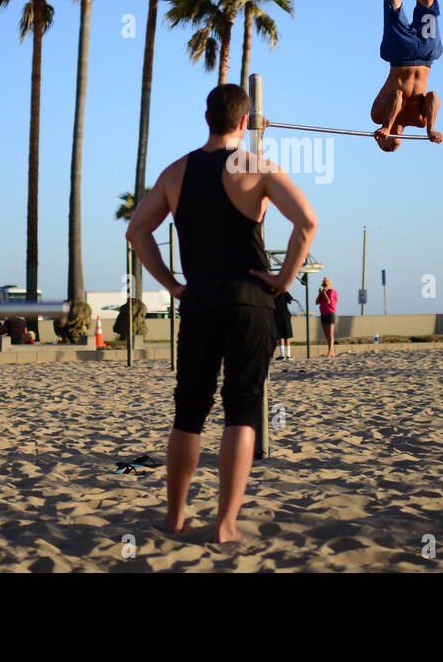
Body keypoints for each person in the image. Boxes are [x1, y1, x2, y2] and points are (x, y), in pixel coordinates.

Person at [126, 83, 318, 543]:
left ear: (206, 118)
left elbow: (137, 231)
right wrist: (284, 279)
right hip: (250, 302)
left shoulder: (176, 172)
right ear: (243, 123)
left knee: (189, 411)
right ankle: (225, 526)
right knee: (242, 409)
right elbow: (307, 223)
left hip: (199, 303)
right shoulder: (258, 169)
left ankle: (174, 519)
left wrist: (172, 284)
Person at [371, 0, 443, 152]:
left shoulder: (377, 115)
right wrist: (431, 128)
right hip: (425, 54)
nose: (394, 135)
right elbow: (433, 96)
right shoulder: (420, 120)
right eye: (395, 138)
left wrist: (387, 124)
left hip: (400, 53)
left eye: (388, 137)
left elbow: (396, 96)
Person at [315, 277, 338, 358]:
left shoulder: (332, 292)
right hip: (323, 314)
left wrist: (324, 293)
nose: (324, 286)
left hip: (330, 314)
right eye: (323, 285)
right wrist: (320, 294)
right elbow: (317, 302)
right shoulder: (322, 293)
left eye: (325, 285)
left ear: (329, 285)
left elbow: (328, 301)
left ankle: (330, 352)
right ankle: (331, 351)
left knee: (330, 334)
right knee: (326, 335)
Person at [273, 289, 295, 360]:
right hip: (285, 314)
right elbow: (291, 301)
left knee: (280, 336)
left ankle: (282, 355)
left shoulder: (273, 293)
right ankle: (288, 355)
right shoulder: (283, 291)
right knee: (287, 335)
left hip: (276, 314)